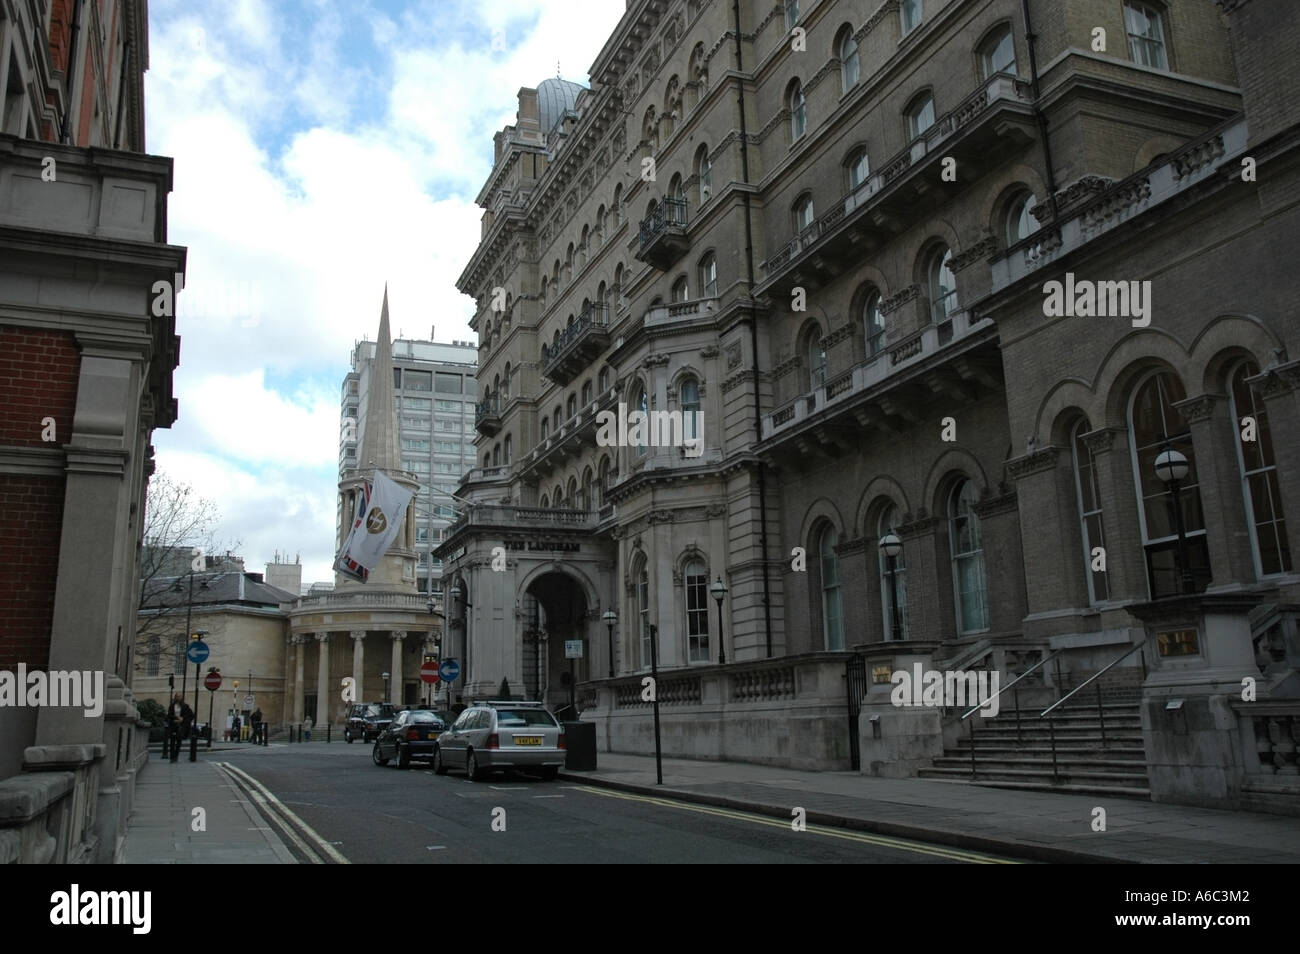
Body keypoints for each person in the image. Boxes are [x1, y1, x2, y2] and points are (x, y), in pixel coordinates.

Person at [167, 694, 182, 761]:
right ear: (175, 698)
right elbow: (169, 715)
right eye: (178, 696)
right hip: (173, 725)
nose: (179, 698)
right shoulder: (172, 706)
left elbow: (188, 715)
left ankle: (176, 756)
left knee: (179, 742)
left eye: (180, 696)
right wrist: (176, 718)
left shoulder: (184, 706)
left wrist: (182, 719)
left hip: (181, 726)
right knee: (172, 742)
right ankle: (172, 757)